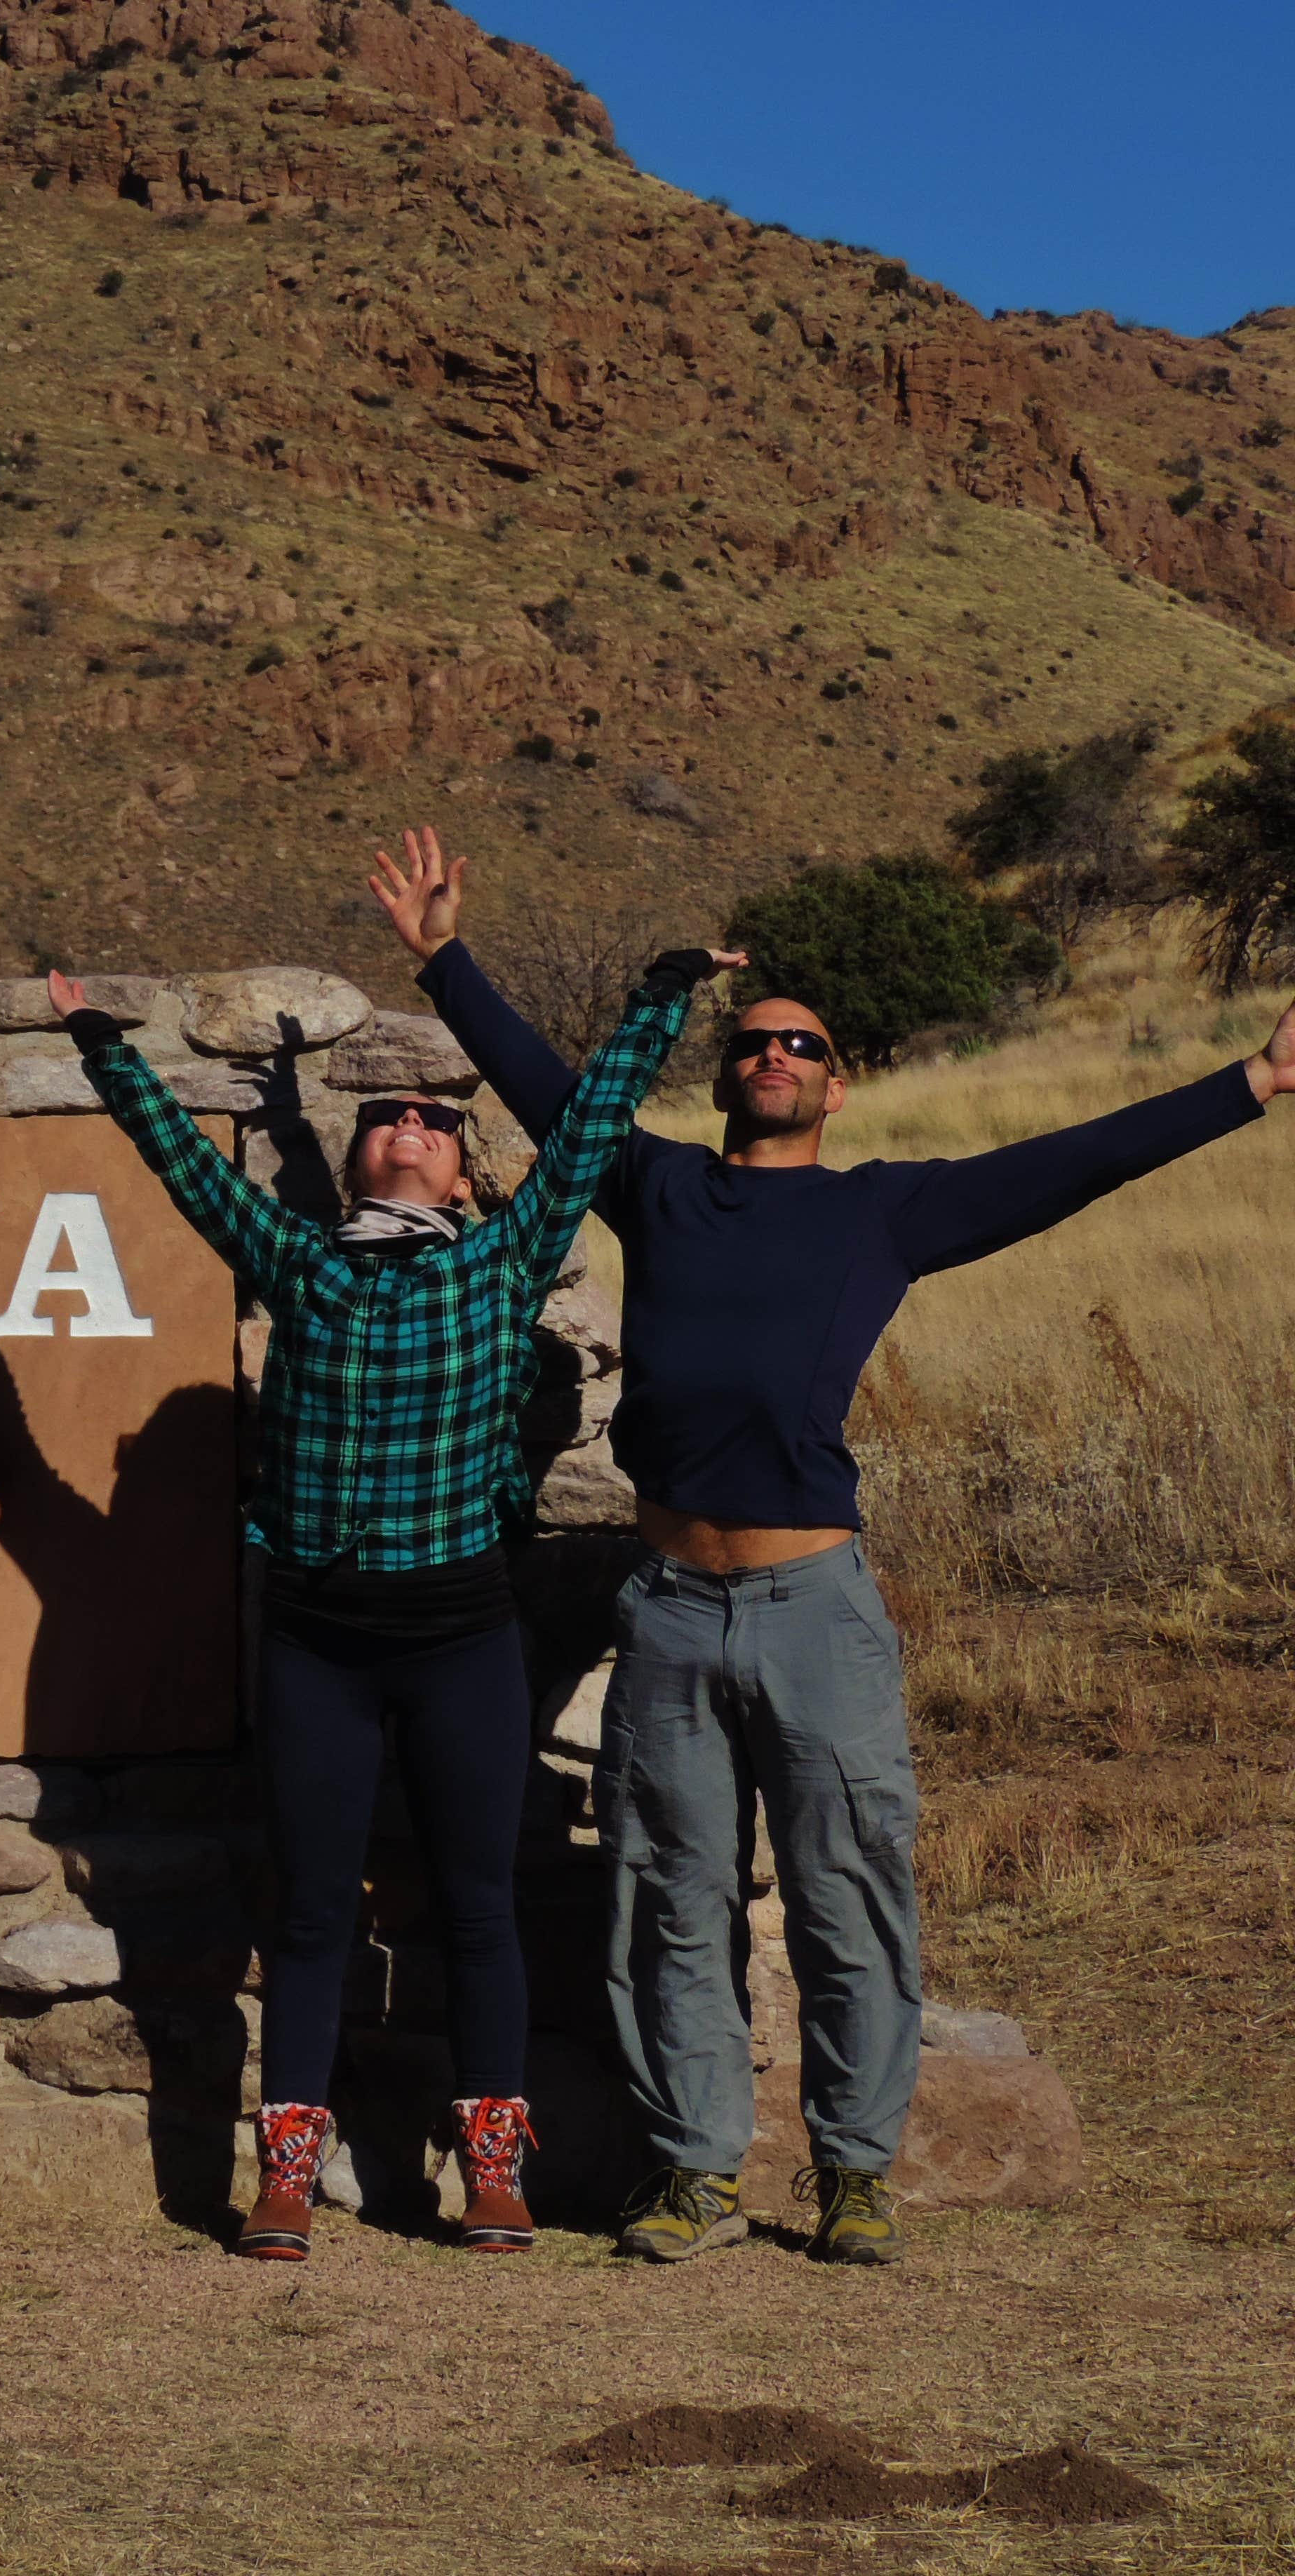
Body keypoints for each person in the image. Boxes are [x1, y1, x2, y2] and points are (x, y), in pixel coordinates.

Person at [373, 826, 1295, 2266]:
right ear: (723, 1077)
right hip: (672, 1606)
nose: (775, 1055)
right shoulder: (659, 1185)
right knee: (668, 1902)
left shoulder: (885, 1211)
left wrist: (1253, 1082)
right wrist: (443, 961)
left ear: (836, 1082)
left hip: (816, 1609)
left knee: (847, 1897)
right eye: (752, 1042)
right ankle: (695, 2173)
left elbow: (1072, 1163)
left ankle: (856, 2174)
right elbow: (548, 1091)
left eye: (801, 1044)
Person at [54, 939, 734, 2259]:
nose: (410, 1127)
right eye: (385, 1117)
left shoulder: (502, 1263)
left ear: (466, 1175)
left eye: (434, 1120)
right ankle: (287, 2177)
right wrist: (102, 1049)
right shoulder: (296, 1261)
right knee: (311, 1912)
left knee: (478, 1904)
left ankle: (493, 2173)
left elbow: (591, 1128)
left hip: (458, 1638)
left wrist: (661, 995)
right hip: (316, 1642)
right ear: (356, 1158)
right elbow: (185, 1165)